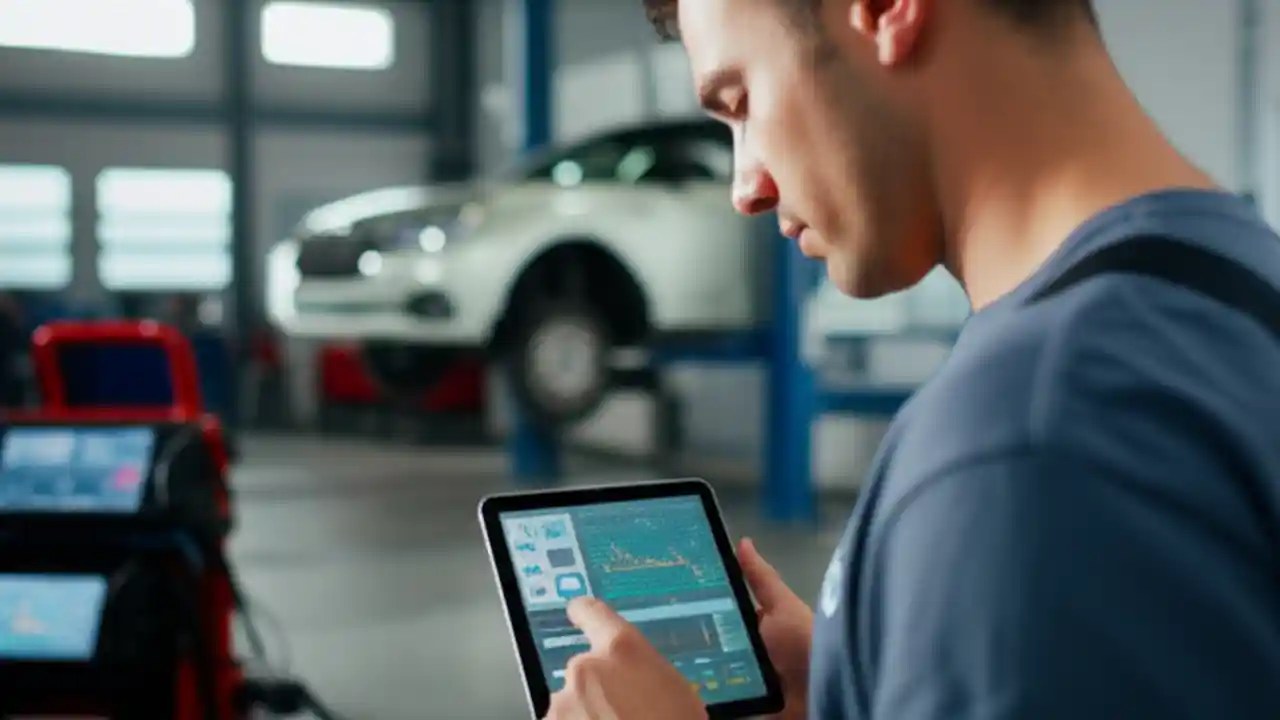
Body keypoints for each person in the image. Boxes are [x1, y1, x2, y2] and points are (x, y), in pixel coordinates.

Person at [544, 0, 1280, 718]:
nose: (747, 188)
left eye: (741, 101)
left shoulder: (1024, 441)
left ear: (885, 9)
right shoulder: (1231, 275)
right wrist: (866, 680)